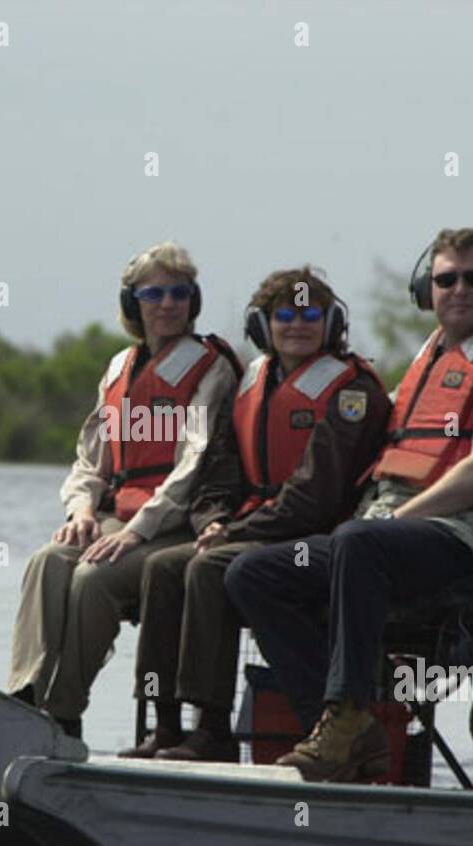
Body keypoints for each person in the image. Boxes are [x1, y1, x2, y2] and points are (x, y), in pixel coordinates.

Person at [225, 228, 473, 782]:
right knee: (252, 574)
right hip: (387, 539)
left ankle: (341, 721)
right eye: (445, 279)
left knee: (359, 542)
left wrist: (394, 521)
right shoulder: (432, 355)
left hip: (468, 542)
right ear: (426, 290)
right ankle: (342, 735)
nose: (459, 290)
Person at [123, 267, 390, 761]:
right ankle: (164, 722)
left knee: (207, 568)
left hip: (310, 538)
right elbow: (218, 475)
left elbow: (316, 496)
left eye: (310, 313)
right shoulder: (251, 381)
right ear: (262, 325)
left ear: (331, 322)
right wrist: (213, 523)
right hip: (250, 527)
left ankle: (213, 729)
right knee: (163, 567)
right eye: (284, 314)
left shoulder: (353, 392)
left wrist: (233, 534)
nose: (297, 324)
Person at [7, 241, 241, 739]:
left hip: (173, 524)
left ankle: (63, 715)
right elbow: (90, 461)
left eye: (179, 292)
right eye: (153, 293)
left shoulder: (211, 367)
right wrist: (83, 510)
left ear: (193, 301)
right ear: (133, 301)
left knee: (93, 578)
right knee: (49, 560)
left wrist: (136, 531)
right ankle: (24, 694)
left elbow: (192, 464)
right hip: (118, 514)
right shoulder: (118, 368)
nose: (167, 304)